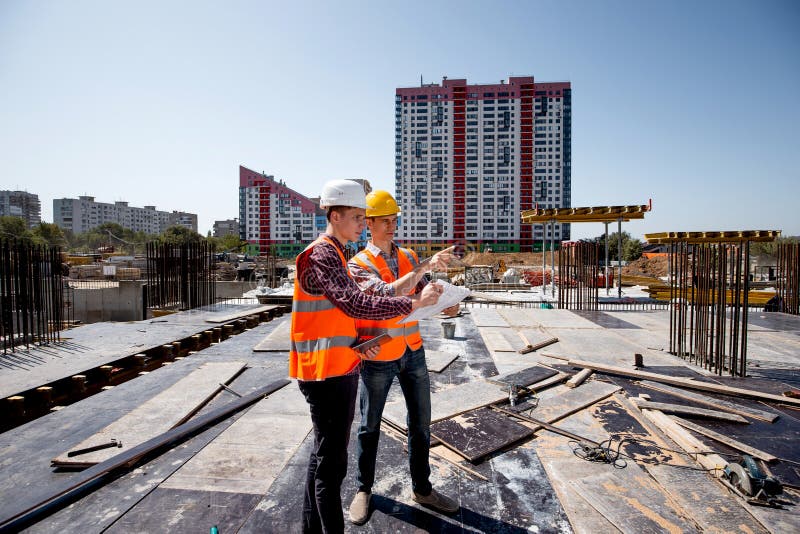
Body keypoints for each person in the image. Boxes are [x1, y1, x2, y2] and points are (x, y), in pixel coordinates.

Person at [290, 179, 442, 534]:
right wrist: (414, 303)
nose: (363, 222)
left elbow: (340, 314)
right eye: (358, 216)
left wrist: (360, 341)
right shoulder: (324, 253)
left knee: (322, 459)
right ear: (336, 214)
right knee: (332, 467)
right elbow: (358, 302)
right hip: (324, 373)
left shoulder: (335, 252)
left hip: (338, 364)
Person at [346, 190, 459, 525]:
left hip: (412, 351)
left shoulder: (409, 255)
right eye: (386, 221)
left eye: (395, 220)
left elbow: (425, 292)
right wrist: (424, 272)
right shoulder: (359, 264)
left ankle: (422, 488)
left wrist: (446, 302)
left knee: (421, 423)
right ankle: (364, 489)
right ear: (369, 224)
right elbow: (384, 293)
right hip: (380, 354)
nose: (393, 226)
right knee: (369, 425)